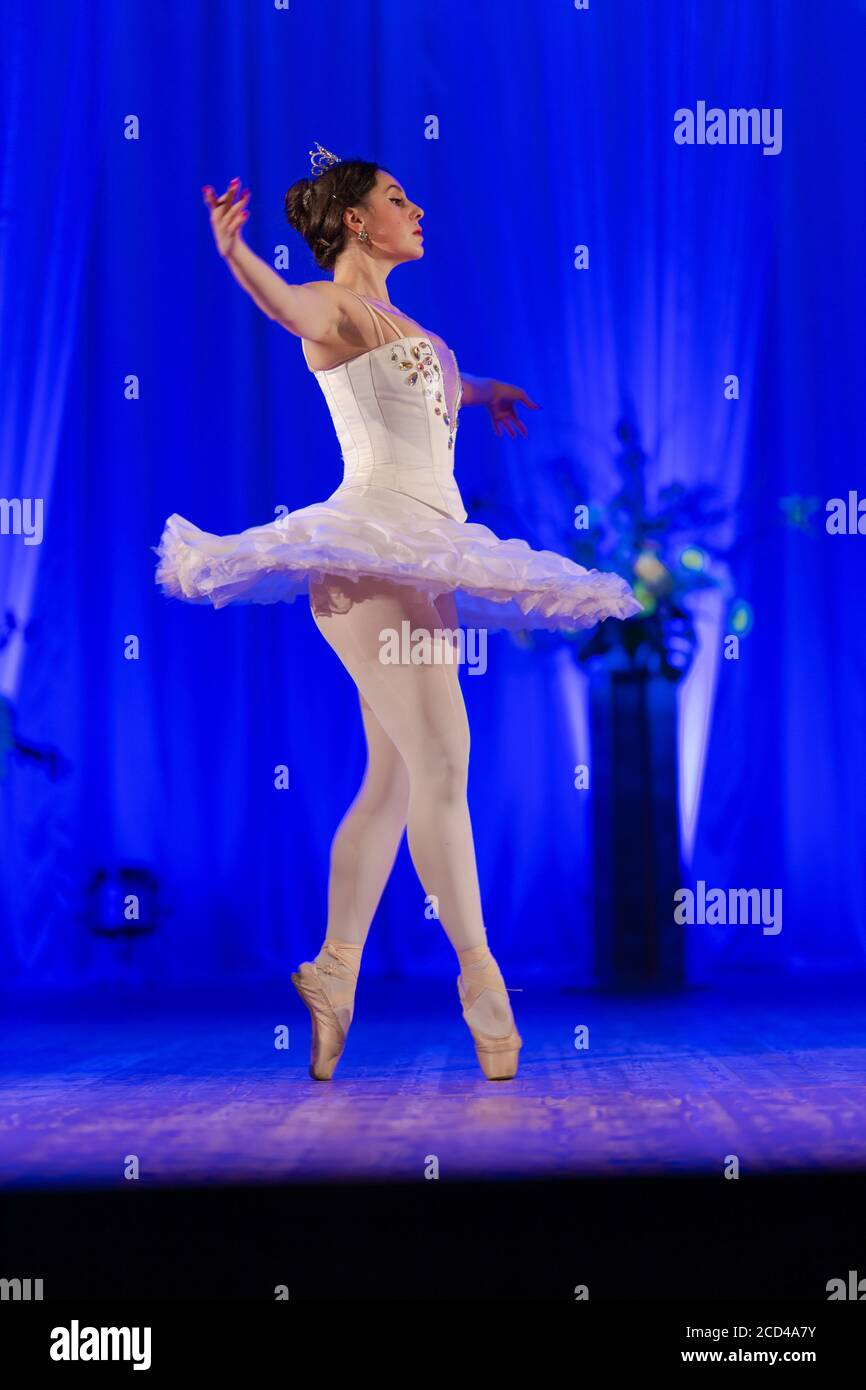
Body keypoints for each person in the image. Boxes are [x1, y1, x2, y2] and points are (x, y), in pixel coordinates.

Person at [153, 142, 641, 1083]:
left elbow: (422, 392)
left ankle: (335, 972)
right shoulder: (333, 305)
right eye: (397, 197)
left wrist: (480, 389)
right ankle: (482, 980)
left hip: (422, 556)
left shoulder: (391, 317)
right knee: (445, 764)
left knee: (394, 779)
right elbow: (287, 307)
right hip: (371, 557)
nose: (417, 209)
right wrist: (235, 254)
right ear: (354, 222)